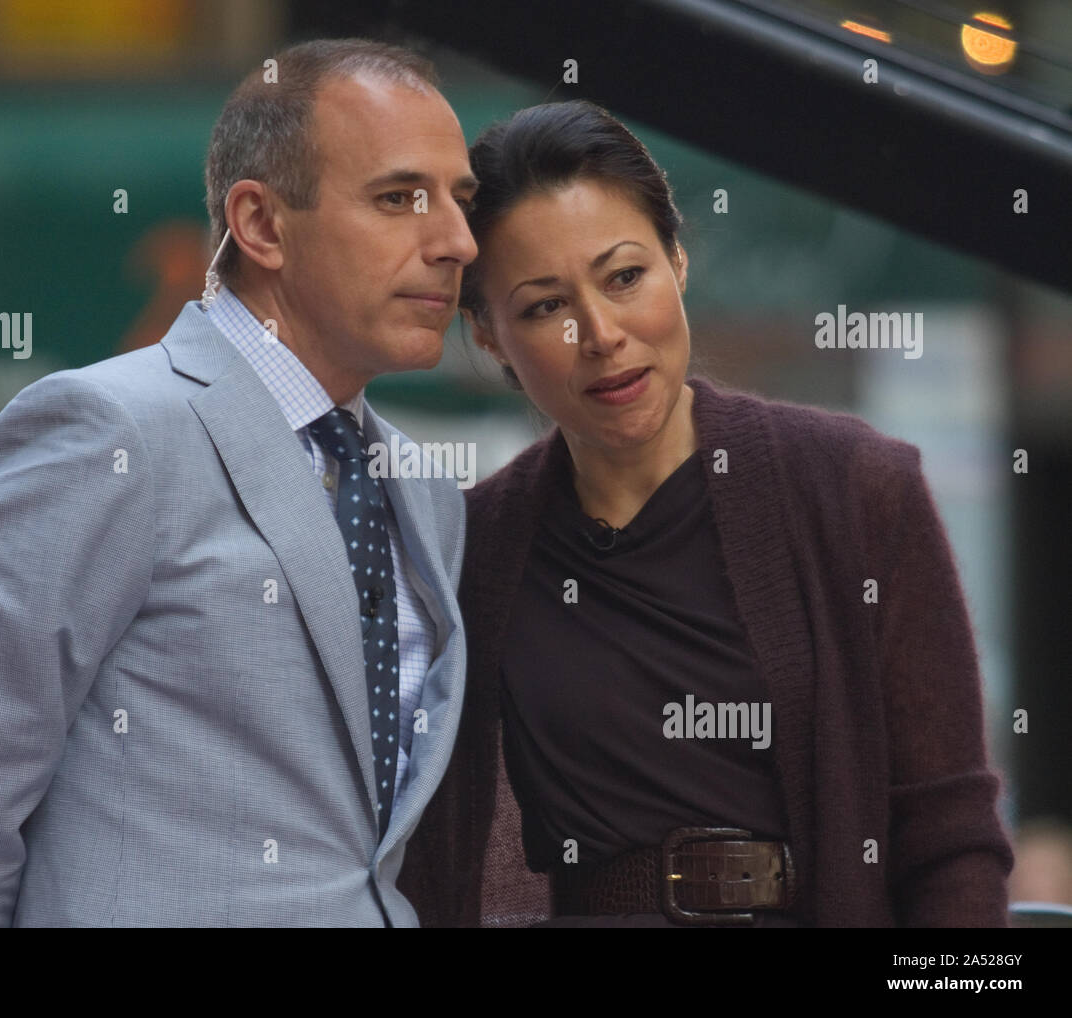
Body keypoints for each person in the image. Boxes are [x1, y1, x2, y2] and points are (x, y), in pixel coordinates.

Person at [0, 38, 479, 927]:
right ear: (261, 225)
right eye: (398, 199)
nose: (457, 242)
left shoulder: (423, 491)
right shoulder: (103, 431)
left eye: (461, 202)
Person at [396, 99, 1013, 927]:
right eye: (546, 306)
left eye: (625, 277)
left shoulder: (859, 489)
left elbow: (951, 839)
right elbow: (424, 856)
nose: (602, 333)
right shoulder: (471, 550)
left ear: (678, 262)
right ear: (490, 335)